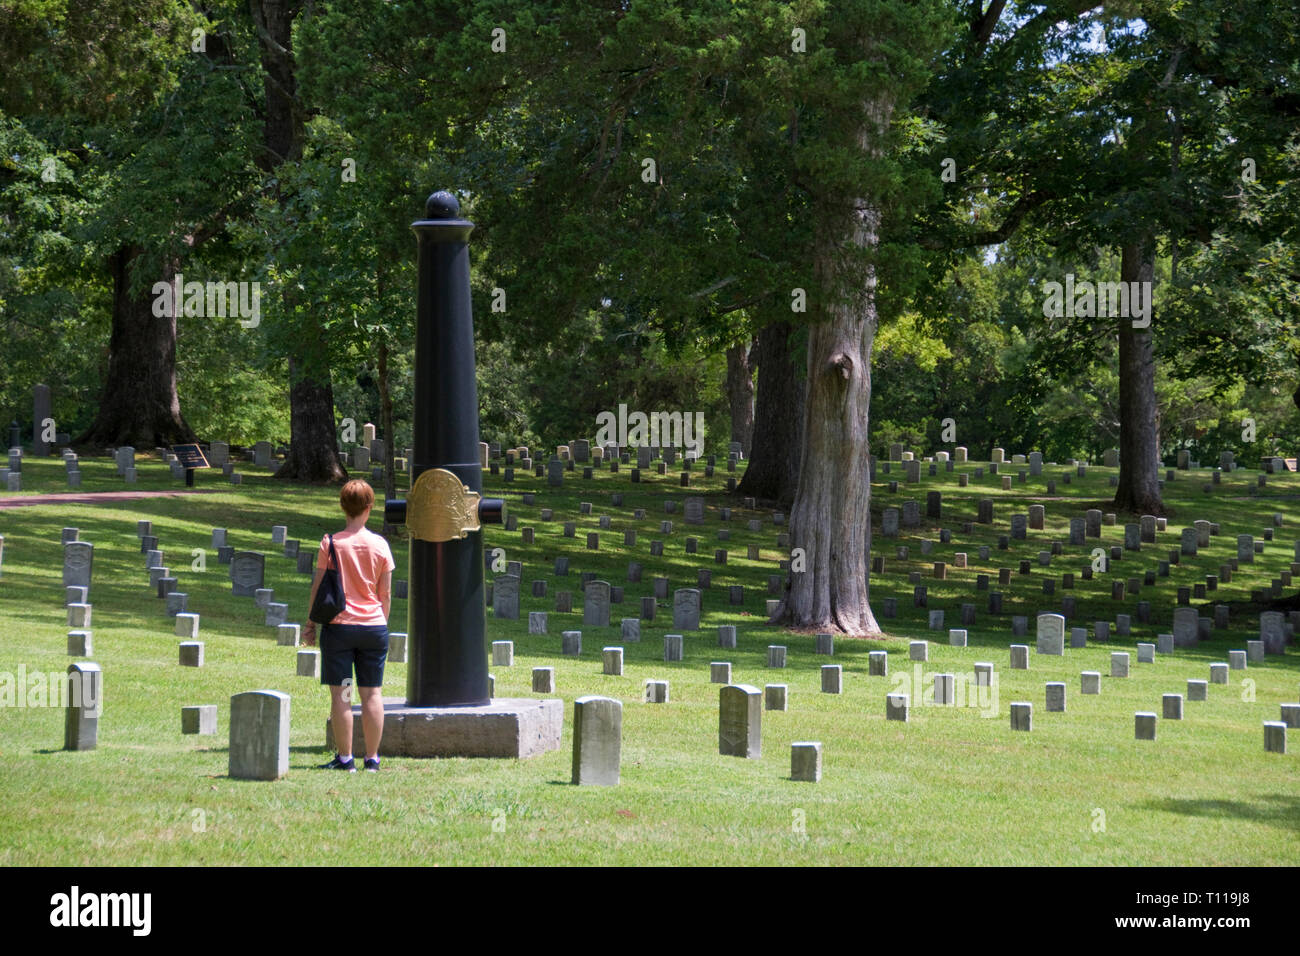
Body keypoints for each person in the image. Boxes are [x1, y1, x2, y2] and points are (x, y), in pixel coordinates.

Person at [304, 479, 395, 773]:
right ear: (369, 508)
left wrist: (309, 624)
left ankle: (345, 758)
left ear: (343, 506)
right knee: (372, 694)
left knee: (343, 694)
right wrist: (381, 622)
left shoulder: (330, 543)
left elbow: (319, 587)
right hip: (374, 627)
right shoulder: (380, 544)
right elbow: (386, 594)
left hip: (340, 627)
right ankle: (372, 759)